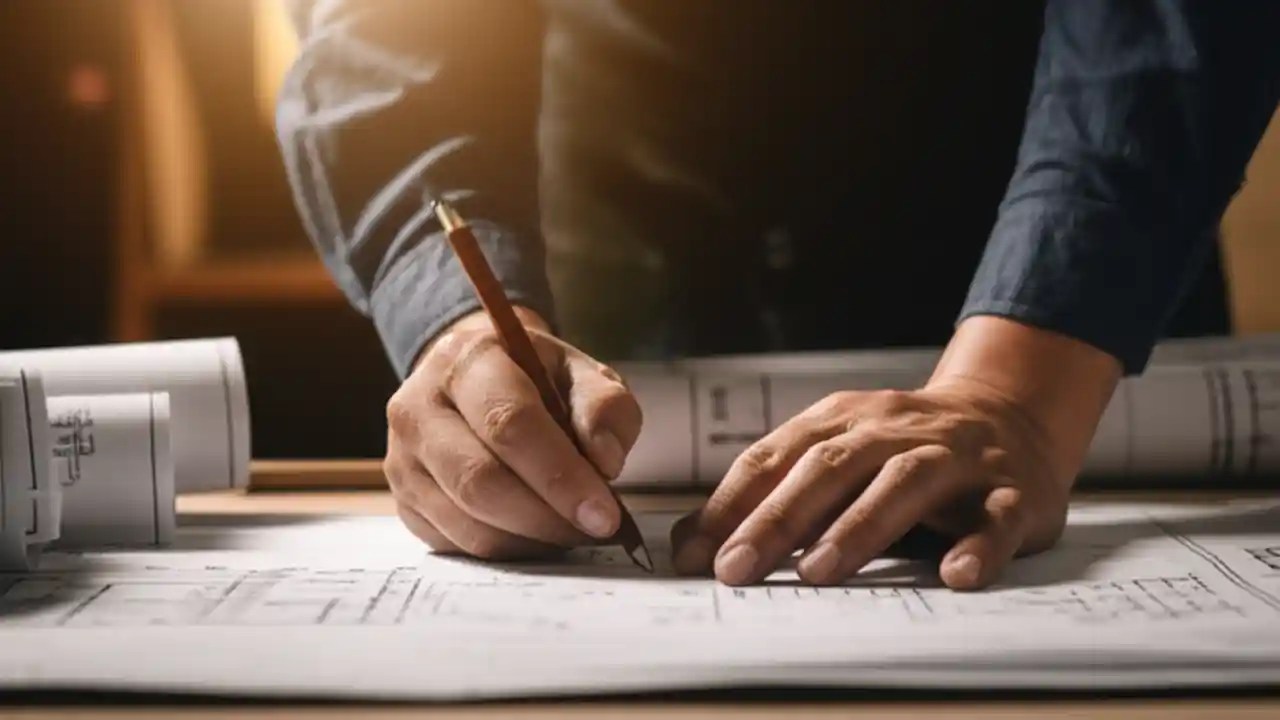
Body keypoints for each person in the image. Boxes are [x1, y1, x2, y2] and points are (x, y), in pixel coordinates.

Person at [276, 1, 1280, 590]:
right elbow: (390, 40)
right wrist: (459, 322)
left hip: (1076, 335)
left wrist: (1014, 394)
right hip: (620, 273)